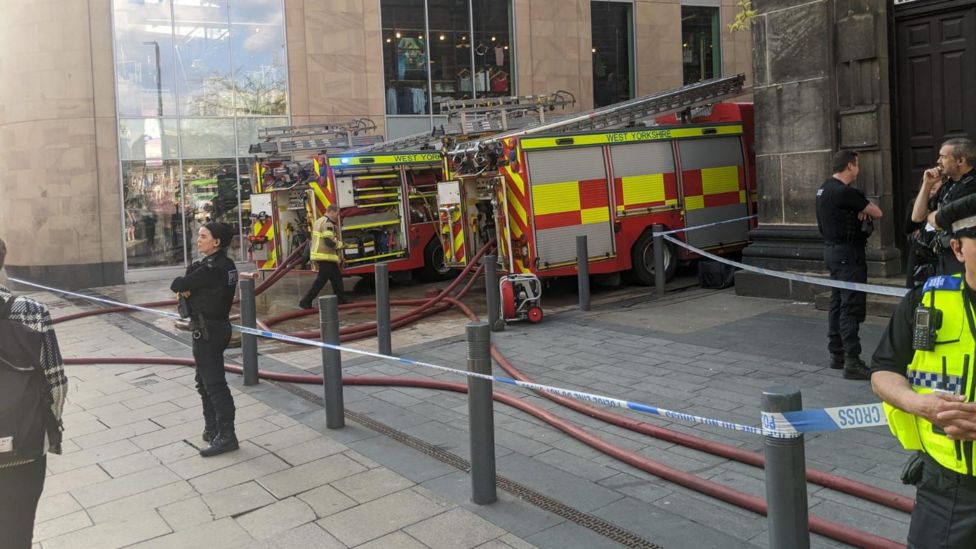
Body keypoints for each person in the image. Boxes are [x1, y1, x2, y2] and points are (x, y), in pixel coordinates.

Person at [871, 196, 976, 548]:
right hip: (947, 487)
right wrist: (918, 404)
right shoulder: (925, 302)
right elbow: (884, 370)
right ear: (958, 249)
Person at [0, 237, 68, 548]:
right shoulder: (31, 311)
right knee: (18, 532)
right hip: (23, 447)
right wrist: (46, 428)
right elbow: (55, 383)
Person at [170, 222, 239, 457]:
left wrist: (187, 287)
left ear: (216, 242)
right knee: (204, 381)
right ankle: (213, 429)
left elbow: (178, 284)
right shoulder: (223, 265)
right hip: (214, 328)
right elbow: (189, 278)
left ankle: (227, 436)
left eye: (203, 236)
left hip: (209, 331)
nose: (198, 240)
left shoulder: (213, 269)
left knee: (214, 384)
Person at [815, 150, 884, 379]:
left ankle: (837, 354)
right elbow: (877, 212)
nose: (859, 168)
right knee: (850, 306)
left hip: (832, 251)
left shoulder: (825, 188)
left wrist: (859, 207)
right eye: (858, 164)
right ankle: (852, 360)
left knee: (837, 302)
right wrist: (863, 208)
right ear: (850, 166)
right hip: (848, 253)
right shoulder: (844, 192)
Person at [910, 138, 976, 276]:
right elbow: (916, 217)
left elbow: (938, 221)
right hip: (945, 256)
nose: (938, 161)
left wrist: (931, 216)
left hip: (964, 258)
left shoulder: (971, 186)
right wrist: (927, 185)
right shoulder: (948, 185)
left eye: (943, 157)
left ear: (960, 161)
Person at [299, 205, 347, 309]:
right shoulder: (327, 223)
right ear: (331, 212)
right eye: (337, 213)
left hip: (323, 256)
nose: (337, 216)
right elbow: (329, 241)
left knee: (337, 278)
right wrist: (342, 245)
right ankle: (305, 301)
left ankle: (341, 299)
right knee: (320, 281)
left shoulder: (318, 221)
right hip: (325, 257)